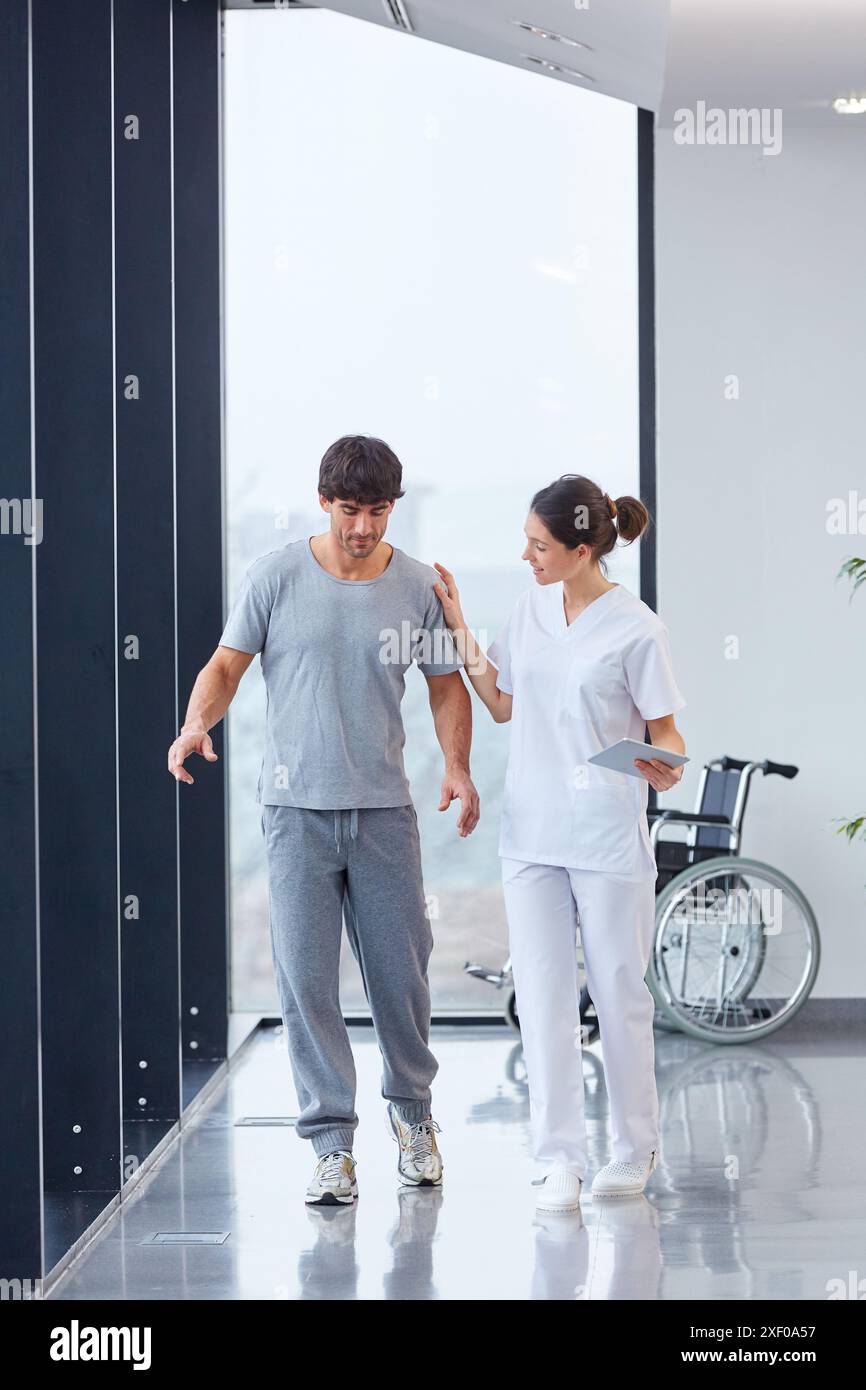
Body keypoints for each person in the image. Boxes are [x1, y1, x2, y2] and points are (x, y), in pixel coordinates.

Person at [168, 436, 480, 1206]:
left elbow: (446, 685)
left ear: (393, 508)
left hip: (383, 814)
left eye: (377, 511)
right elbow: (226, 666)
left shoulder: (416, 587)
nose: (363, 527)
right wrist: (195, 723)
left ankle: (414, 1119)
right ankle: (331, 1145)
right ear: (323, 503)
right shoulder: (274, 576)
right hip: (294, 815)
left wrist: (457, 767)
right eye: (349, 510)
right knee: (306, 982)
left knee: (401, 980)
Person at [433, 474, 686, 1212]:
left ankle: (634, 1147)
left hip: (606, 836)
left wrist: (666, 767)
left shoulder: (638, 629)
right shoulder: (530, 608)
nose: (526, 556)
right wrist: (460, 626)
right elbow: (502, 703)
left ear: (582, 550)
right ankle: (559, 1160)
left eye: (539, 546)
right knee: (543, 999)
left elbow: (667, 735)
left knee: (618, 994)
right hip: (531, 836)